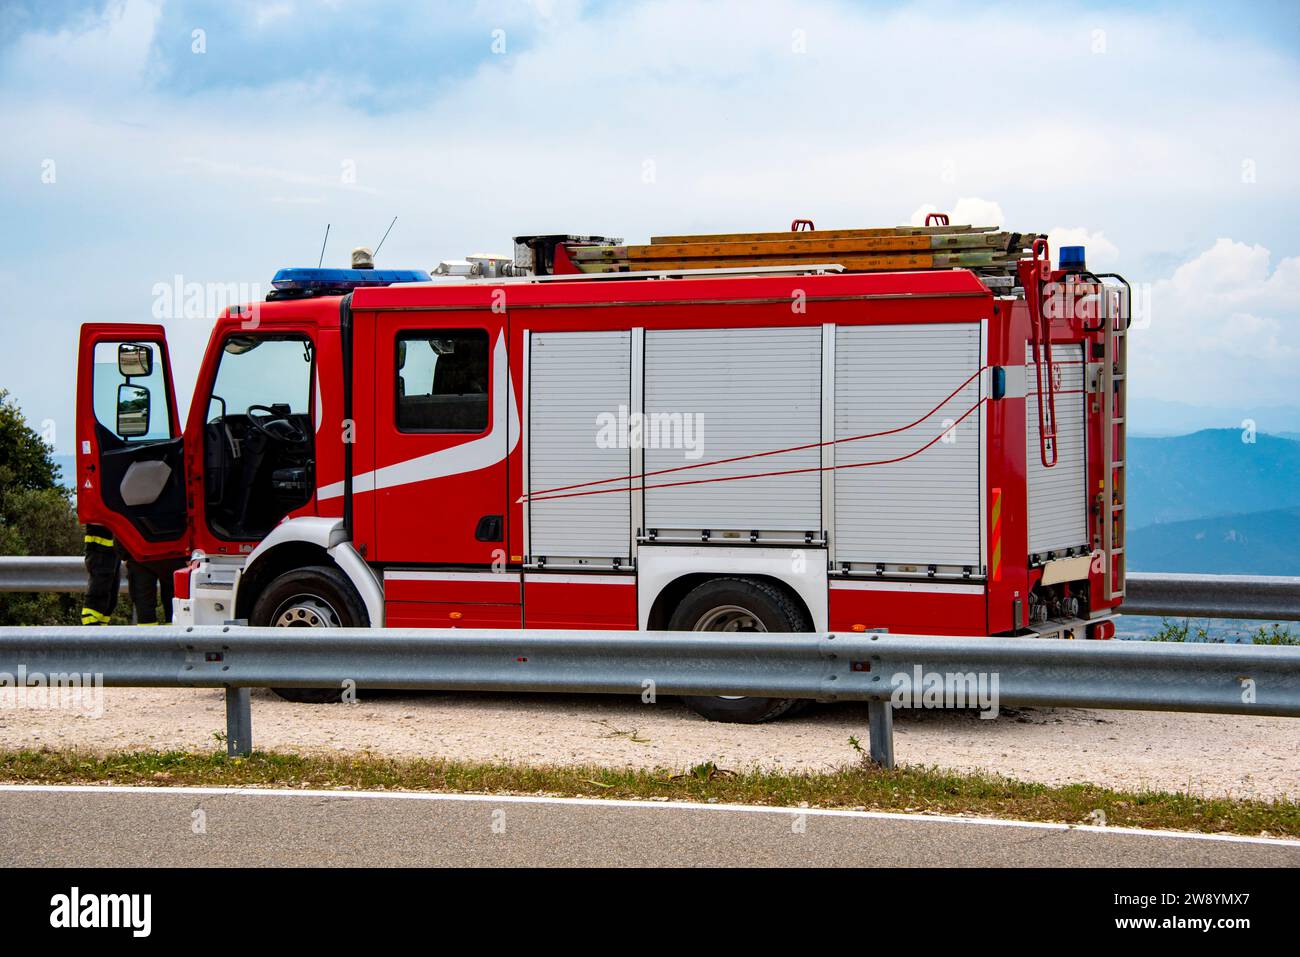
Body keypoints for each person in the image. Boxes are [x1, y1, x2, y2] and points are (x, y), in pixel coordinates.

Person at [81, 524, 120, 625]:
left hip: (113, 549)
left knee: (111, 600)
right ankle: (91, 630)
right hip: (100, 548)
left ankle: (100, 632)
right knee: (97, 597)